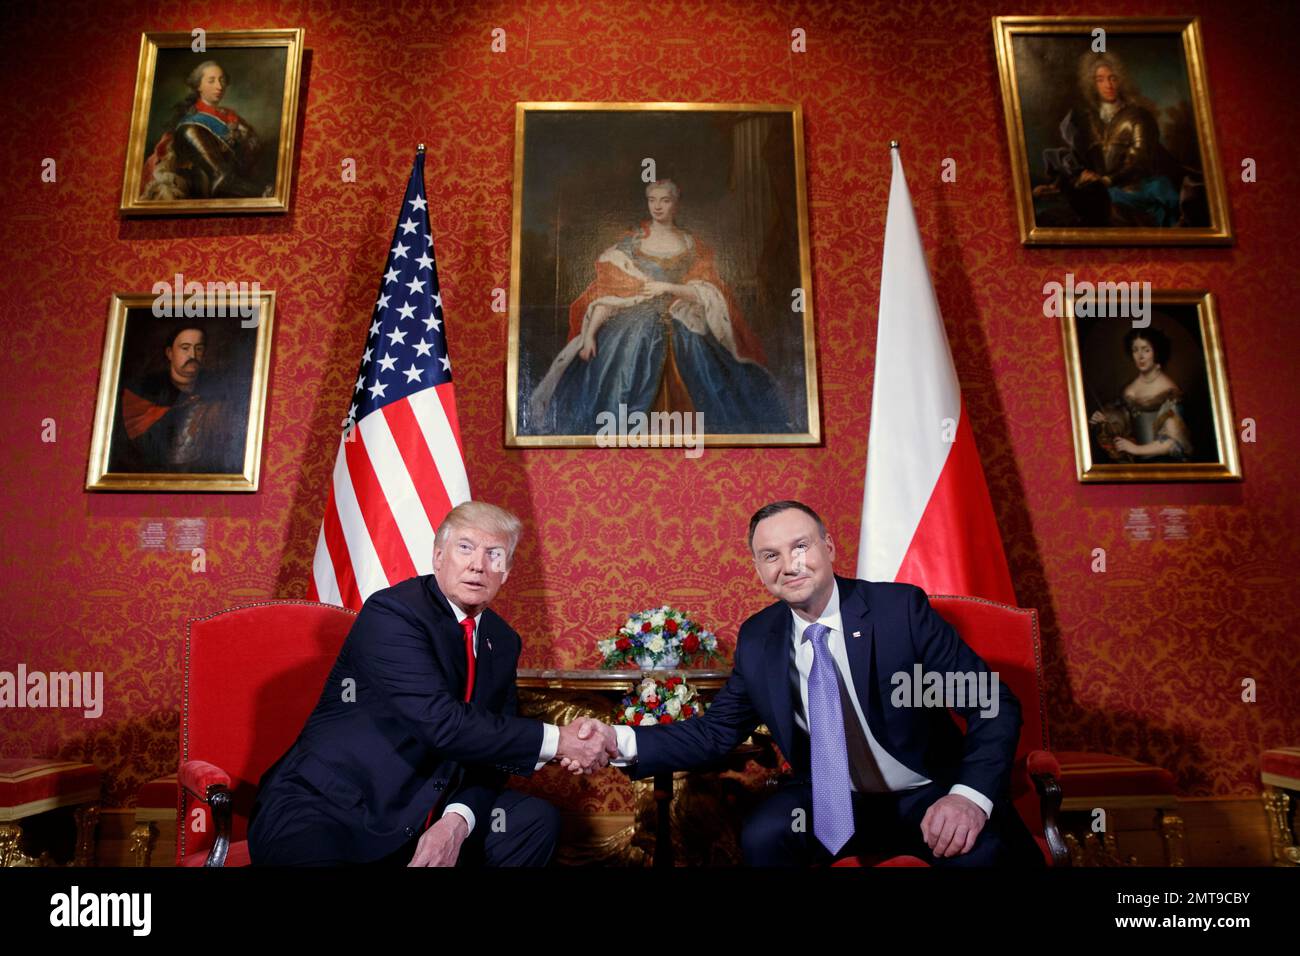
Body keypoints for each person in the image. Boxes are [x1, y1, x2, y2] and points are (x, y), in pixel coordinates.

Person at [568, 501, 1043, 866]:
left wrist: (968, 797)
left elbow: (990, 702)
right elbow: (713, 734)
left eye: (800, 547)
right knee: (763, 833)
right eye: (770, 555)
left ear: (829, 548)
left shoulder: (899, 612)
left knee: (983, 851)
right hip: (835, 803)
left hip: (927, 793)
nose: (788, 565)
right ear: (759, 569)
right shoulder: (760, 638)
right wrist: (618, 739)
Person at [247, 502, 615, 866]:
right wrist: (560, 740)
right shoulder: (393, 614)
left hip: (427, 805)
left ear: (506, 571)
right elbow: (441, 723)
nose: (478, 564)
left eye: (494, 554)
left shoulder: (503, 641)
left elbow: (493, 758)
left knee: (531, 821)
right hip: (332, 806)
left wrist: (456, 821)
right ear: (439, 556)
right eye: (465, 548)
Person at [528, 179, 793, 435]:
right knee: (615, 382)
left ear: (676, 205)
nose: (657, 206)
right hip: (631, 330)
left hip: (685, 324)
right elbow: (609, 294)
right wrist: (588, 337)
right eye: (652, 200)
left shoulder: (692, 245)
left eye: (665, 200)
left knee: (713, 382)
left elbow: (707, 292)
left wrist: (669, 288)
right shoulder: (630, 245)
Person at [1033, 51, 1192, 228]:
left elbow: (1139, 160)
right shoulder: (1085, 118)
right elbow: (1078, 157)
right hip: (1097, 190)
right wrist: (1061, 183)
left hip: (1133, 190)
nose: (1108, 85)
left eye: (1112, 78)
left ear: (1120, 80)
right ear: (1092, 84)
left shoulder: (1138, 116)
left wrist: (1107, 180)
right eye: (1100, 79)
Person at [141, 59, 273, 200]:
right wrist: (265, 194)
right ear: (199, 86)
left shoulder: (230, 115)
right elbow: (221, 180)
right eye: (211, 81)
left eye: (222, 80)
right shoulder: (191, 127)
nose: (219, 86)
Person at [114, 324, 238, 471]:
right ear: (170, 353)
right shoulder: (143, 391)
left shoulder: (219, 390)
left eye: (198, 348)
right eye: (185, 348)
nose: (192, 355)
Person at [1090, 327, 1192, 462]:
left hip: (1163, 463)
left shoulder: (1169, 391)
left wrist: (1136, 449)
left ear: (1157, 352)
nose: (1140, 356)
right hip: (1134, 463)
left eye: (1146, 350)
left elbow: (1173, 442)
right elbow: (1123, 423)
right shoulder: (1129, 389)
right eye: (1135, 350)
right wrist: (1104, 419)